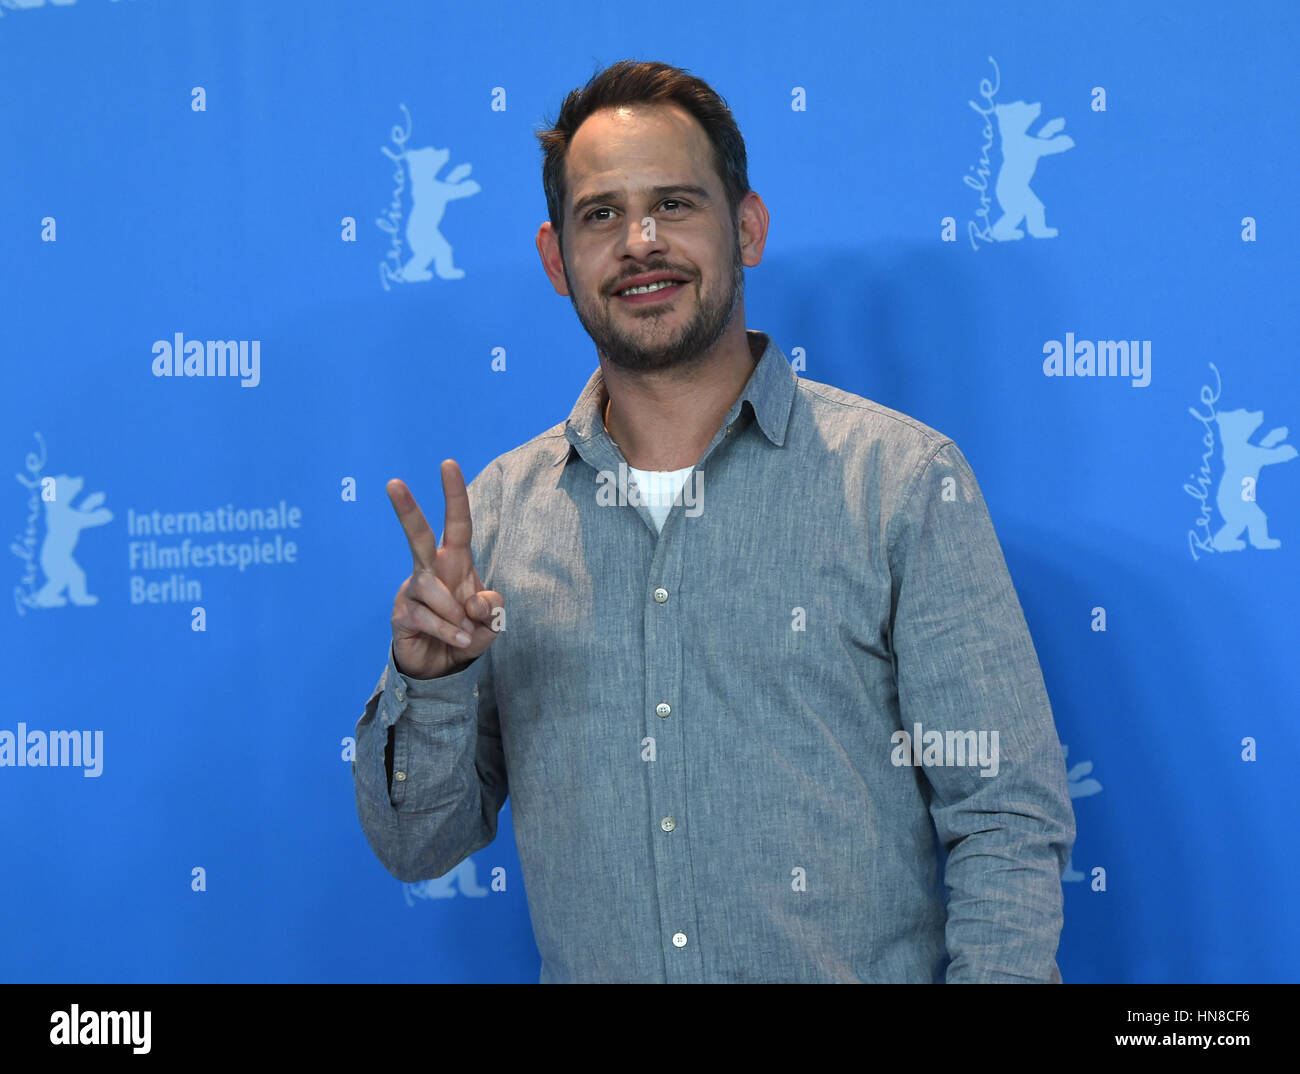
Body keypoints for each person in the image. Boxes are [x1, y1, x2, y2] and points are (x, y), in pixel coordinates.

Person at [352, 58, 1076, 983]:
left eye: (676, 205)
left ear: (747, 227)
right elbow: (416, 845)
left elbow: (1006, 817)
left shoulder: (901, 481)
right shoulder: (496, 514)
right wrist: (432, 684)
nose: (640, 241)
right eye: (601, 214)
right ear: (554, 259)